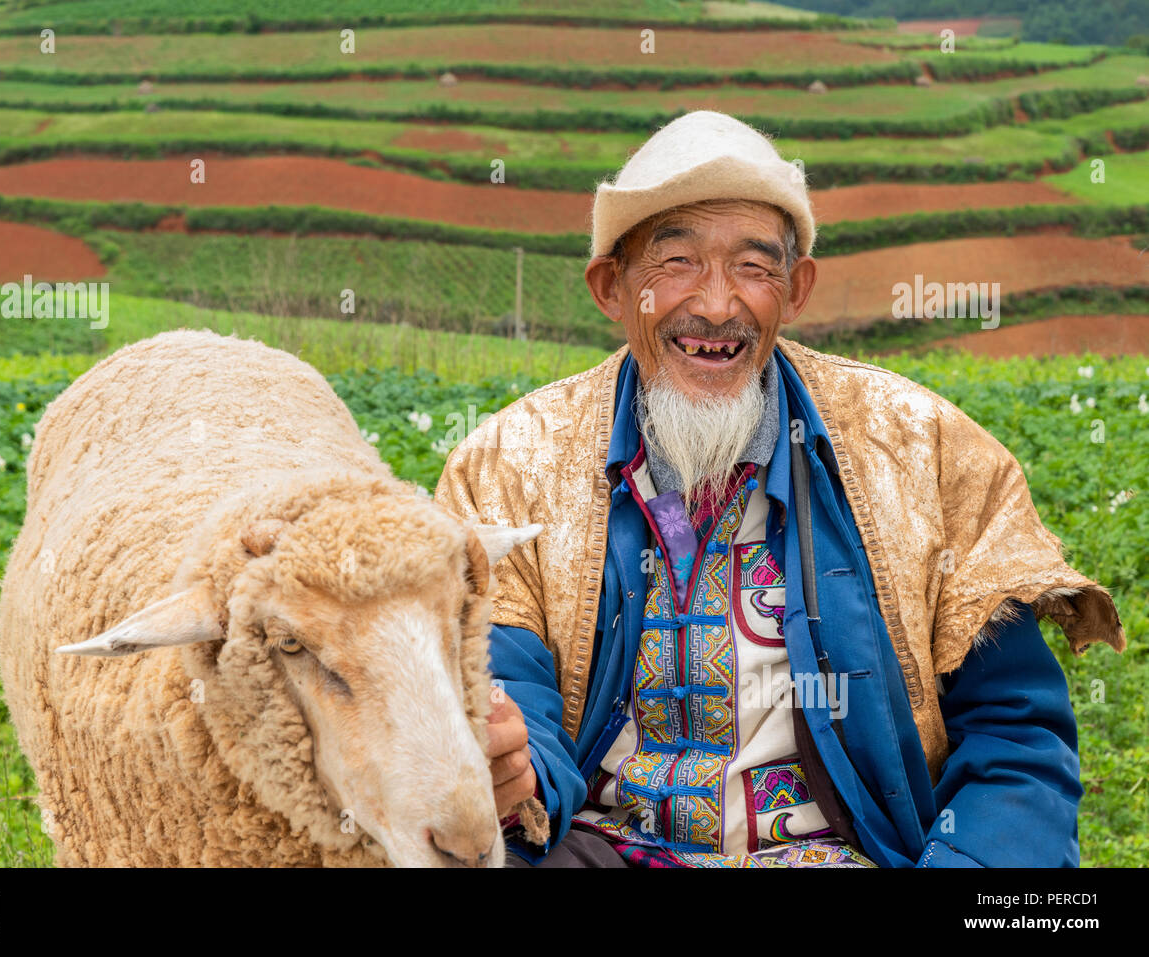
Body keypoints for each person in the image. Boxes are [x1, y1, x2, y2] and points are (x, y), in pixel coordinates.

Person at [435, 111, 1126, 868]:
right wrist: (516, 765)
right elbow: (506, 682)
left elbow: (1013, 736)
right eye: (676, 263)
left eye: (753, 267)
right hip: (601, 850)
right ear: (612, 287)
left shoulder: (927, 453)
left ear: (795, 290)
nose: (718, 305)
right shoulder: (509, 465)